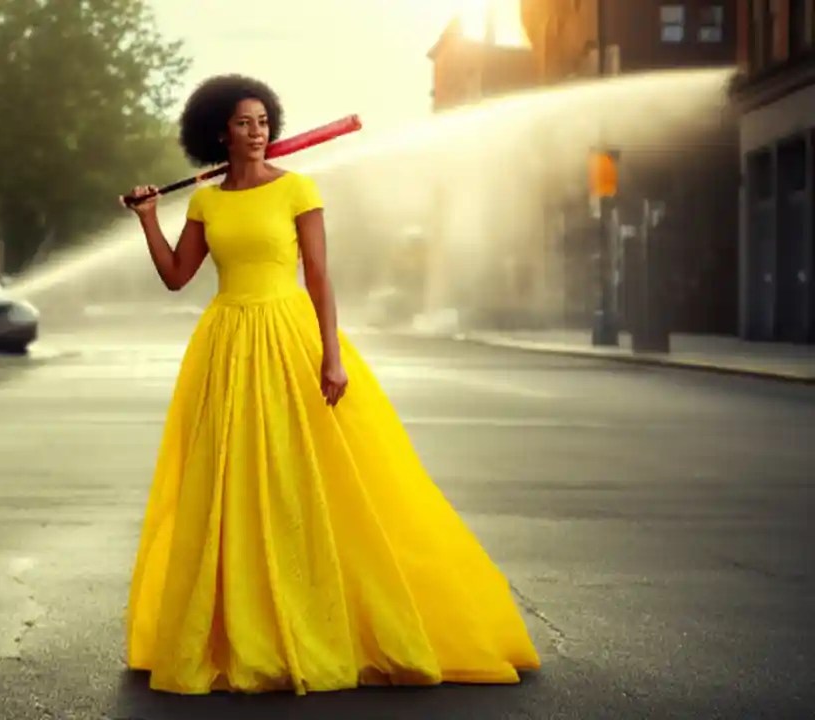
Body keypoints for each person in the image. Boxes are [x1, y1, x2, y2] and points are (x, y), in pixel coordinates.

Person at [121, 75, 541, 696]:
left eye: (263, 121)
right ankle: (241, 629)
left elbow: (318, 275)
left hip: (290, 339)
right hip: (226, 346)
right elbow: (178, 276)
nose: (257, 131)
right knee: (231, 485)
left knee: (310, 480)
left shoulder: (298, 189)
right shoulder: (206, 201)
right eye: (243, 123)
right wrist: (150, 219)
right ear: (220, 133)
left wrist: (332, 355)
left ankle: (327, 621)